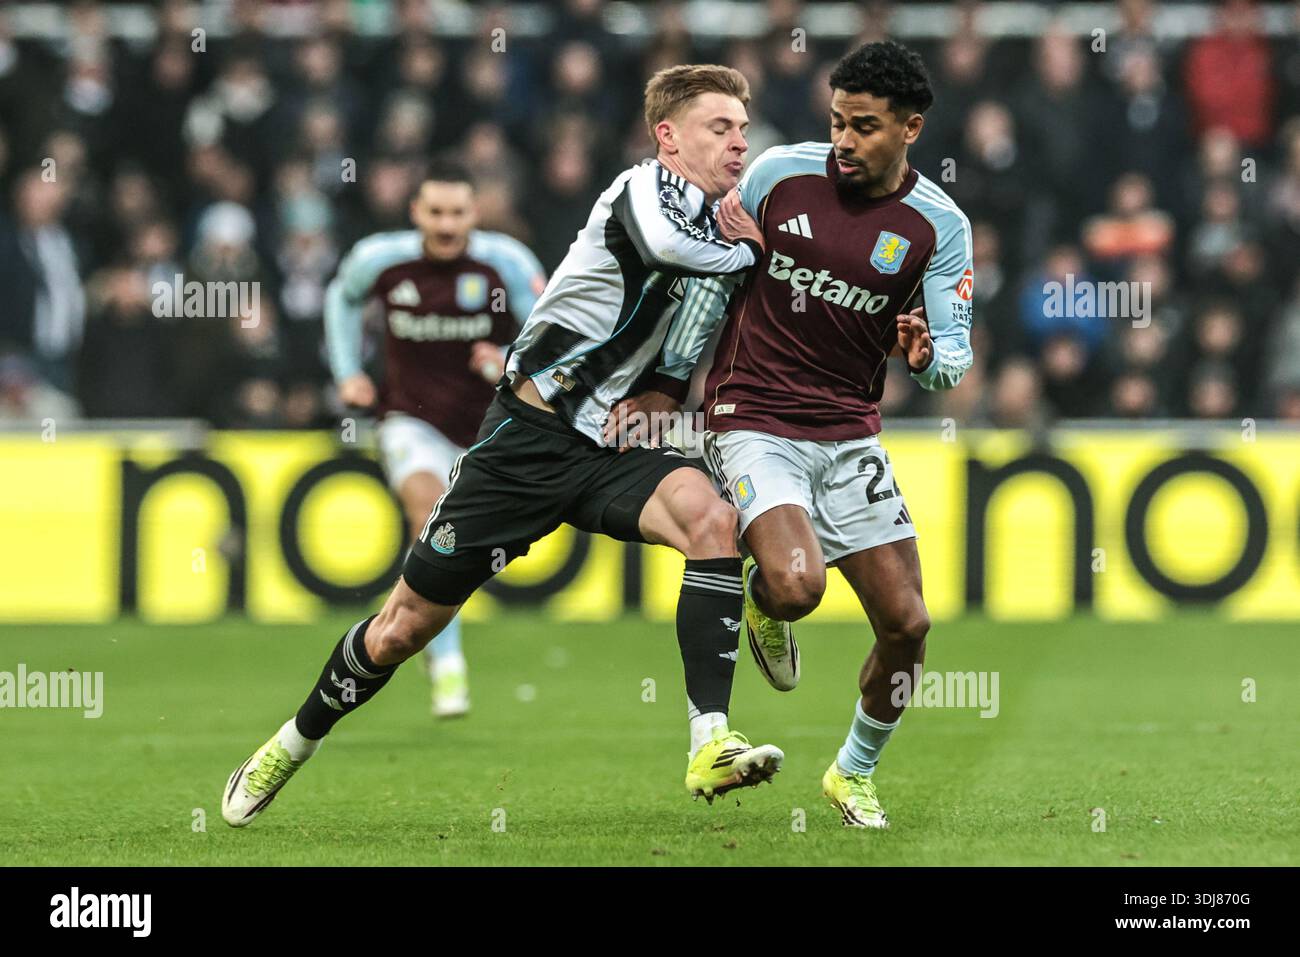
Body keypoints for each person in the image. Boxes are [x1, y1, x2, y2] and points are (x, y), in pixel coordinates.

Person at [223, 64, 783, 828]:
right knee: (402, 628)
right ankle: (293, 741)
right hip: (527, 438)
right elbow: (661, 247)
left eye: (743, 130)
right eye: (720, 128)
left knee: (713, 521)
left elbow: (699, 333)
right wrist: (755, 255)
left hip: (611, 447)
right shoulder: (640, 193)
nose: (739, 143)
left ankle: (709, 742)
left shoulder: (722, 231)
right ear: (669, 136)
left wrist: (667, 388)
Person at [636, 41, 974, 828]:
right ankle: (765, 599)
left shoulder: (939, 226)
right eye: (836, 123)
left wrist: (928, 359)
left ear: (910, 129)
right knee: (797, 586)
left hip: (849, 431)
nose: (844, 142)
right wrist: (669, 382)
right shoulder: (778, 175)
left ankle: (852, 772)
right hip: (752, 414)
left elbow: (953, 352)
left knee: (909, 624)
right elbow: (710, 274)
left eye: (863, 127)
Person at [324, 161, 547, 718]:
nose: (447, 225)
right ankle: (448, 664)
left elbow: (552, 329)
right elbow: (341, 299)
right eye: (436, 212)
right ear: (415, 212)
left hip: (490, 427)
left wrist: (508, 360)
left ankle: (424, 634)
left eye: (458, 213)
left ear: (475, 212)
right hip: (411, 419)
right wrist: (349, 370)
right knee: (430, 519)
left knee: (464, 540)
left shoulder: (507, 263)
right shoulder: (381, 259)